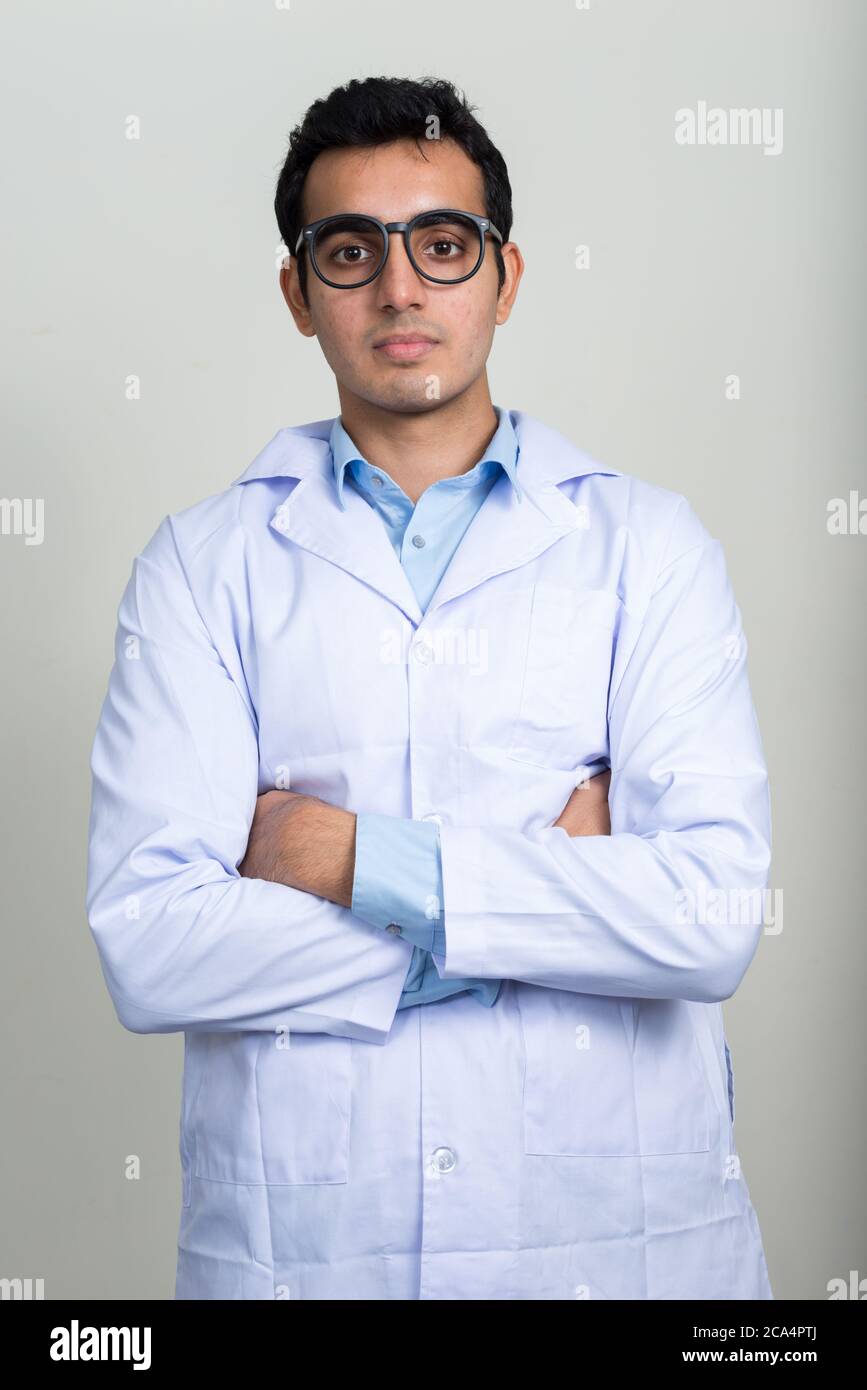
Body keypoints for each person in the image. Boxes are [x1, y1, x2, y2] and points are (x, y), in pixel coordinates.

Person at [86, 75, 774, 1300]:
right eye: (350, 251)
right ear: (299, 296)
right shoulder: (201, 567)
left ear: (504, 279)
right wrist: (543, 904)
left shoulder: (651, 550)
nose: (400, 288)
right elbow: (153, 944)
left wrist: (353, 862)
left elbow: (711, 914)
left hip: (626, 1253)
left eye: (441, 245)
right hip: (306, 1261)